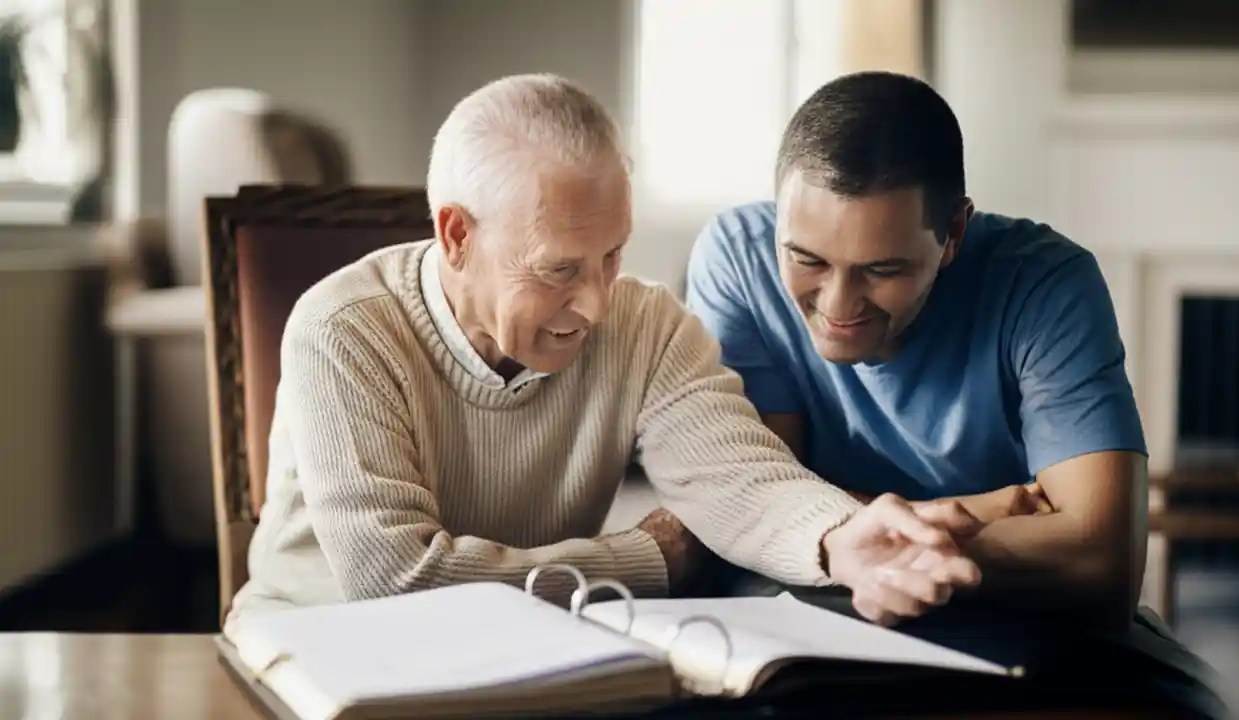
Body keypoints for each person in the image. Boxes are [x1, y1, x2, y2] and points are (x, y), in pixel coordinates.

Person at [223, 74, 984, 636]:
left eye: (612, 256)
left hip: (528, 650)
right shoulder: (344, 329)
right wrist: (645, 559)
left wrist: (837, 539)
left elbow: (738, 475)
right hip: (318, 657)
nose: (595, 304)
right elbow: (395, 582)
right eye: (559, 269)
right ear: (456, 235)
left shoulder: (644, 323)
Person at [686, 72, 1148, 630]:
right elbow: (757, 501)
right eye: (807, 259)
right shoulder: (737, 259)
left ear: (953, 232)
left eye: (881, 270)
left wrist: (858, 542)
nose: (838, 304)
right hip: (810, 621)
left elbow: (1103, 561)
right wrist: (972, 514)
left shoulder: (1045, 283)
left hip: (1008, 628)